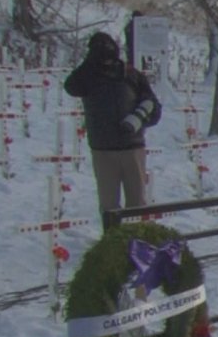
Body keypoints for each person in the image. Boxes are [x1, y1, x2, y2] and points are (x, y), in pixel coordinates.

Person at [64, 31, 161, 224]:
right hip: (103, 149)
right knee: (109, 206)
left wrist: (137, 121)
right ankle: (112, 245)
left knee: (137, 203)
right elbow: (71, 87)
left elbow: (154, 108)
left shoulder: (131, 75)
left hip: (132, 147)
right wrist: (89, 64)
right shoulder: (88, 76)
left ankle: (138, 246)